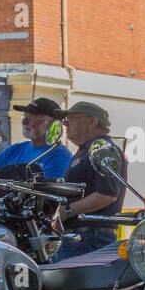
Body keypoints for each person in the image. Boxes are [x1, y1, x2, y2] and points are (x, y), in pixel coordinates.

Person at [54, 102, 127, 259]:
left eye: (72, 118)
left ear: (92, 121)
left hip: (89, 239)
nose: (65, 123)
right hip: (83, 238)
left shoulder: (101, 148)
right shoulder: (87, 150)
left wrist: (67, 211)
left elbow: (107, 194)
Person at [0, 98, 73, 181]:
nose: (24, 122)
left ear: (54, 126)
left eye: (34, 118)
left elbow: (43, 198)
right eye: (25, 116)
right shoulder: (14, 150)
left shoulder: (60, 157)